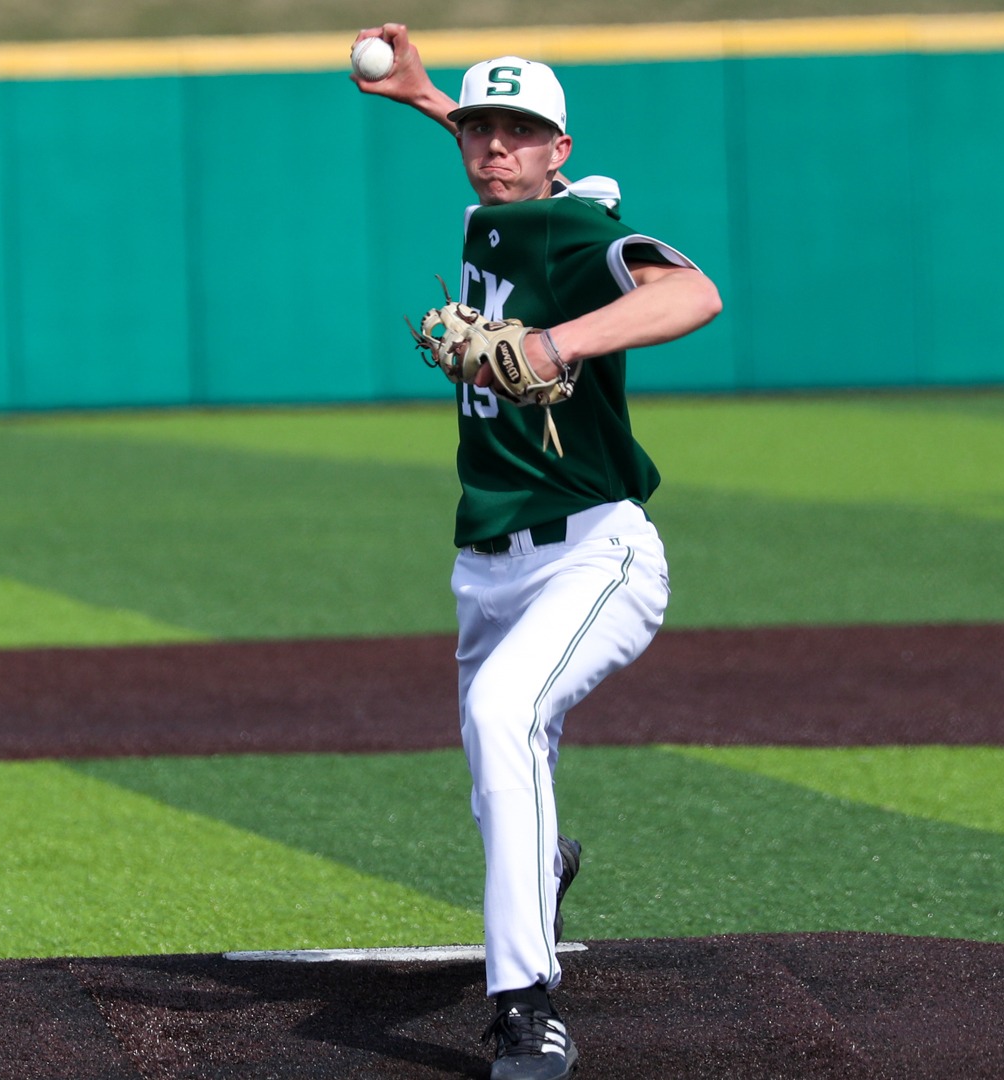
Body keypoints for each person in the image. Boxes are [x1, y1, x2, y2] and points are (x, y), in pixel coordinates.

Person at [352, 24, 722, 1080]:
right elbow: (490, 169)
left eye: (522, 133)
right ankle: (543, 863)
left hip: (595, 555)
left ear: (561, 150)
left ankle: (526, 1002)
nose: (495, 148)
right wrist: (429, 95)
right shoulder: (493, 214)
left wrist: (557, 343)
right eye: (481, 130)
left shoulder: (572, 228)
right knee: (501, 769)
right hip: (487, 565)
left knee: (501, 715)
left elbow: (693, 294)